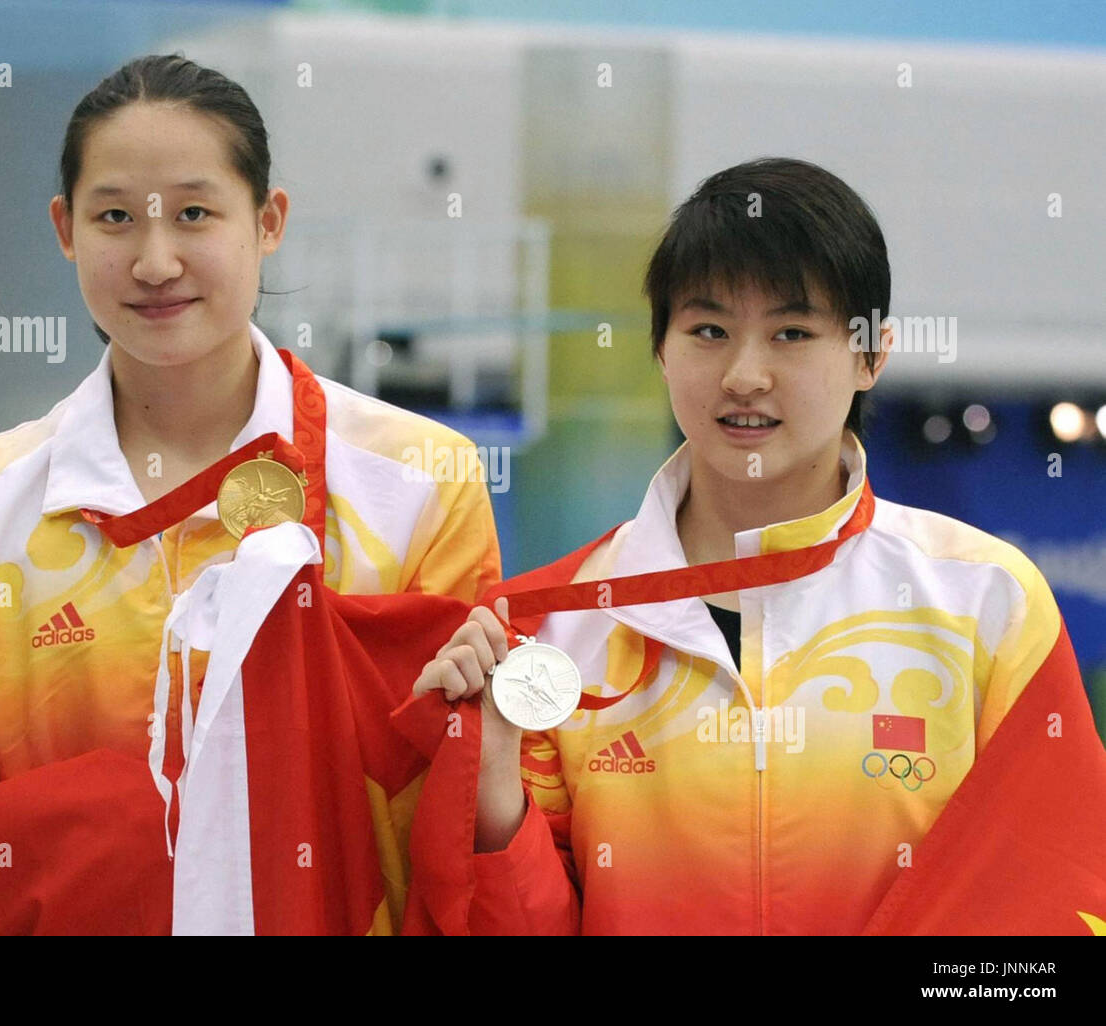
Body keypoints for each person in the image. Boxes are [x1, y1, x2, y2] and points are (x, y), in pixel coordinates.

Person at [0, 54, 500, 935]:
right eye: (116, 218)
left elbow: (450, 809)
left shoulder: (420, 484)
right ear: (65, 228)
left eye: (195, 214)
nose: (156, 261)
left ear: (268, 220)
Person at [410, 157, 1106, 935]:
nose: (744, 374)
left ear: (872, 355)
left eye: (792, 333)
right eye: (708, 331)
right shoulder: (548, 628)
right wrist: (492, 785)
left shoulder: (986, 603)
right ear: (662, 351)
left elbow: (1049, 899)